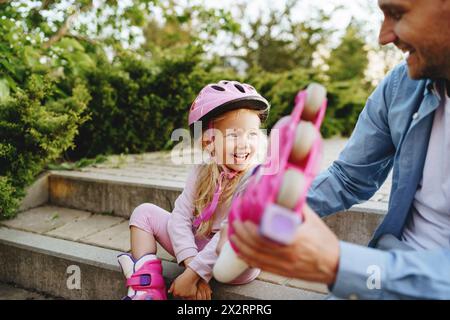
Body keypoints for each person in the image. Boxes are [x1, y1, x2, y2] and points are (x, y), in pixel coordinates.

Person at [219, 0, 450, 299]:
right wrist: (262, 211)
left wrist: (338, 263)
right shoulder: (400, 86)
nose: (383, 36)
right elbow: (348, 178)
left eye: (397, 14)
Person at [117, 80, 270, 300]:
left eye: (252, 134)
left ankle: (151, 275)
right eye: (234, 135)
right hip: (200, 250)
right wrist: (191, 266)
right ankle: (147, 289)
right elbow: (180, 217)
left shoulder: (256, 178)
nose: (245, 144)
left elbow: (229, 236)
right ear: (208, 142)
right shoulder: (202, 170)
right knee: (144, 213)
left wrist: (194, 276)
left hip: (236, 261)